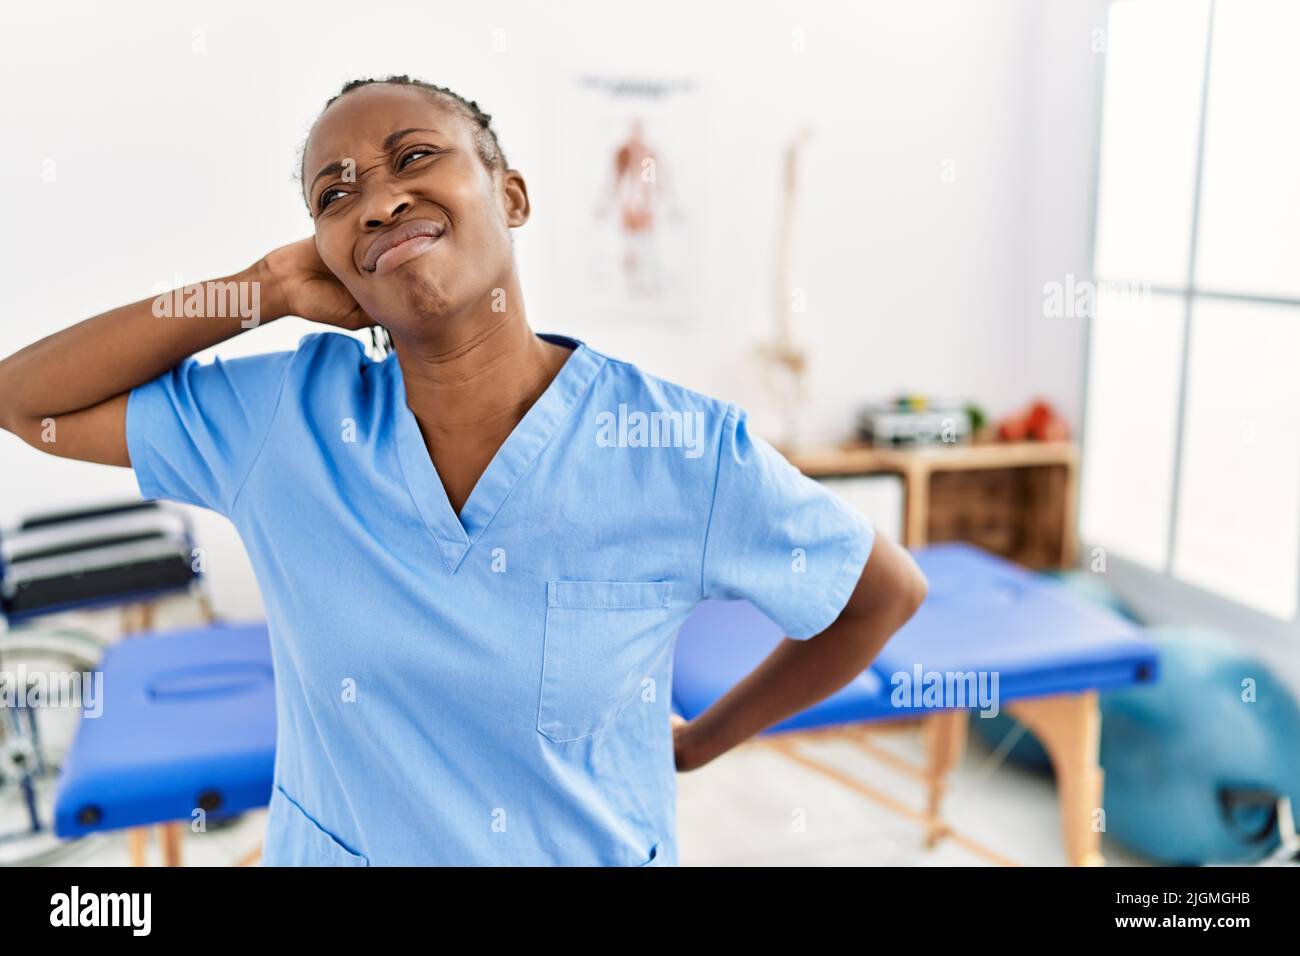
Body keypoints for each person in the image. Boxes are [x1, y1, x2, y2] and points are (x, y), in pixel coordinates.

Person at [0, 75, 928, 866]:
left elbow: (879, 592)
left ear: (512, 196)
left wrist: (701, 744)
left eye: (413, 158)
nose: (378, 199)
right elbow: (26, 400)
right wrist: (266, 288)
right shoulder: (282, 419)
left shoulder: (676, 448)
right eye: (335, 194)